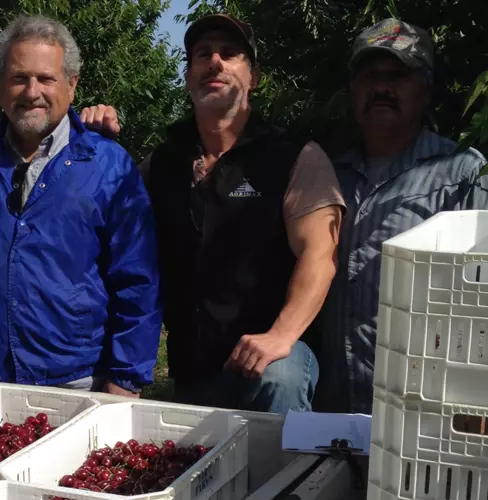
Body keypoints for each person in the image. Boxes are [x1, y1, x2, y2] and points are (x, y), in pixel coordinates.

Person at [82, 14, 345, 414]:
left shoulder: (294, 157)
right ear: (189, 78)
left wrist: (280, 336)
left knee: (281, 382)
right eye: (203, 54)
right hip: (195, 370)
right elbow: (109, 235)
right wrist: (90, 145)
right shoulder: (162, 164)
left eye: (230, 53)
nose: (215, 62)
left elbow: (321, 255)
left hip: (272, 362)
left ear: (253, 75)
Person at [312, 18, 488, 414]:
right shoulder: (326, 175)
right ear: (352, 90)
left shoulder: (463, 173)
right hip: (332, 411)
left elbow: (486, 301)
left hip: (424, 413)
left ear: (426, 90)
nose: (381, 87)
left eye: (398, 76)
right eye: (369, 76)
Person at [0, 15, 162, 396]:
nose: (32, 91)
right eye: (19, 78)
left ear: (72, 86)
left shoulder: (109, 167)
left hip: (76, 384)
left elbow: (138, 281)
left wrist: (126, 379)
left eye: (46, 78)